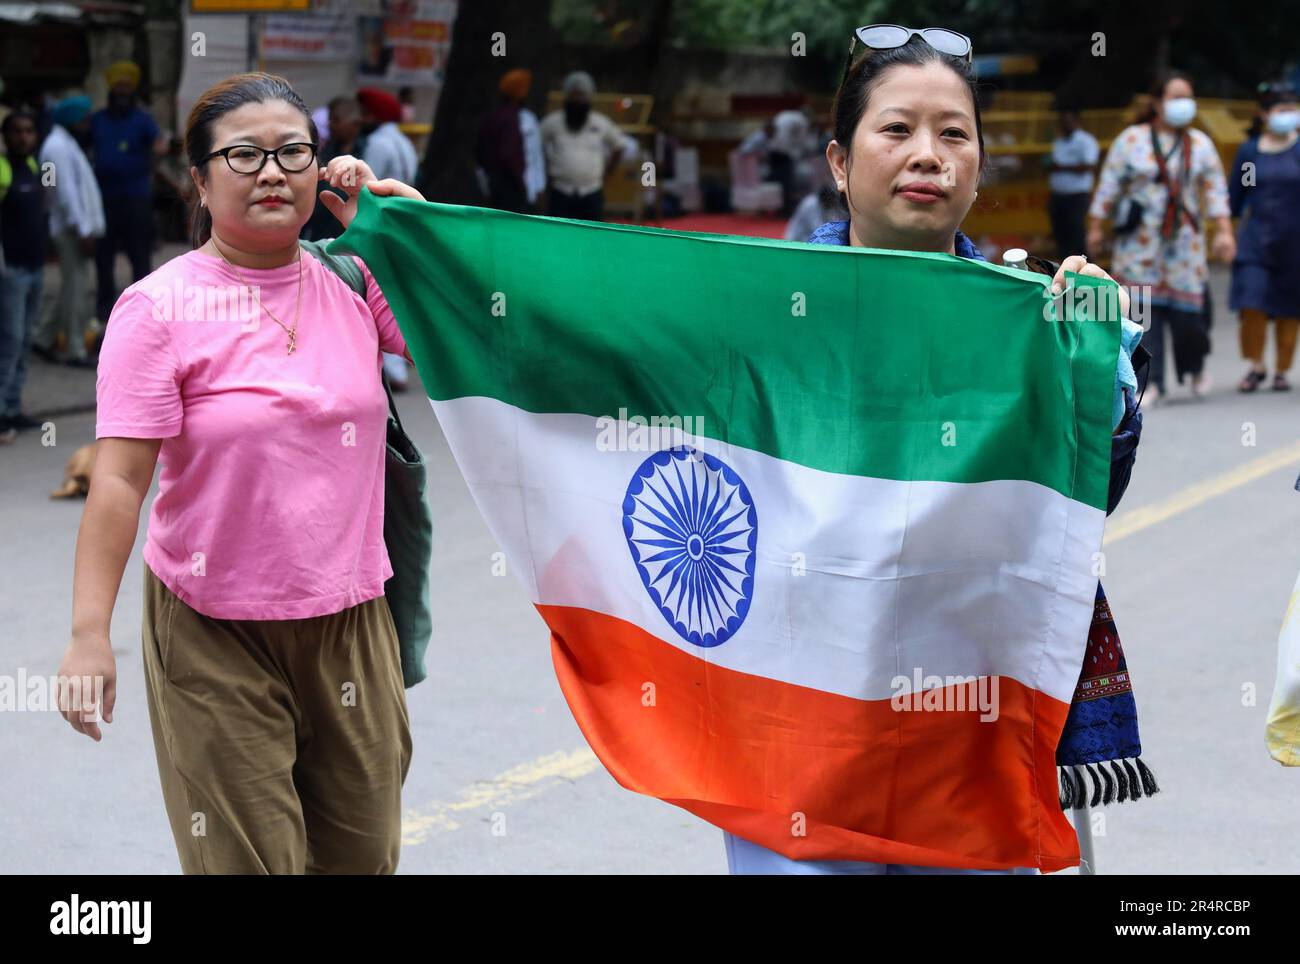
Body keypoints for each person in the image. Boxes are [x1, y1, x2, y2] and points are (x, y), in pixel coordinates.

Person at [722, 25, 1147, 875]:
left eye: (954, 133)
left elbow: (1086, 494)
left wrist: (1094, 360)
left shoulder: (1036, 315)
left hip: (970, 724)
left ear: (979, 166)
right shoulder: (758, 317)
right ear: (840, 163)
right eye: (898, 129)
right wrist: (430, 245)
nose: (929, 154)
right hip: (801, 726)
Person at [53, 72, 420, 875]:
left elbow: (471, 335)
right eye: (244, 154)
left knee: (362, 860)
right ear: (199, 176)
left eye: (293, 152)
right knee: (247, 863)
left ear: (321, 169)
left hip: (352, 622)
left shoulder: (356, 281)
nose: (272, 172)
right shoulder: (159, 309)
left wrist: (400, 226)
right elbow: (117, 483)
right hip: (211, 625)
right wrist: (89, 636)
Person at [1087, 71, 1235, 403]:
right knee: (1142, 313)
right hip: (1140, 243)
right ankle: (1148, 382)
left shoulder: (1200, 144)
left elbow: (1215, 192)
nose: (1184, 104)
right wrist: (1096, 227)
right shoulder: (1132, 140)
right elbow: (1109, 185)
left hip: (1185, 245)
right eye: (1176, 97)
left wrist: (1224, 232)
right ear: (1156, 103)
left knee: (1189, 320)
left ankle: (1194, 366)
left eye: (1188, 97)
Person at [1229, 82, 1300, 392]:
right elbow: (1234, 198)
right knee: (1252, 299)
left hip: (1294, 241)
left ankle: (1282, 369)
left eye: (1293, 110)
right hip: (1255, 237)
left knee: (1289, 306)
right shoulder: (1250, 151)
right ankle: (1255, 364)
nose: (1289, 116)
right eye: (1281, 111)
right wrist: (1227, 235)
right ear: (1264, 115)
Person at [89, 61, 168, 323]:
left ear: (132, 90)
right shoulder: (98, 119)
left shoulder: (143, 119)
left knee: (139, 255)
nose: (122, 91)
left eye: (127, 86)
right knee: (103, 257)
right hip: (103, 199)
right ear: (111, 89)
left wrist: (156, 158)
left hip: (136, 198)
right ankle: (104, 309)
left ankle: (142, 310)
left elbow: (159, 147)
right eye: (118, 86)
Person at [32, 95, 103, 368]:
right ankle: (75, 348)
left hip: (73, 228)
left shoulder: (65, 143)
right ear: (73, 118)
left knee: (70, 287)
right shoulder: (56, 147)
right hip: (70, 230)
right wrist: (82, 228)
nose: (87, 122)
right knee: (76, 289)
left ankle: (42, 336)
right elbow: (63, 193)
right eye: (83, 117)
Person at [356, 86, 416, 389]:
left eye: (365, 114)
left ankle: (393, 370)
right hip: (400, 223)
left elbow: (367, 188)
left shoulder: (378, 143)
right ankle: (398, 369)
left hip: (382, 223)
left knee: (382, 293)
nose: (361, 119)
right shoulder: (403, 141)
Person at [0, 110, 47, 440]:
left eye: (29, 131)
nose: (24, 137)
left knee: (26, 339)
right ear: (6, 136)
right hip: (11, 272)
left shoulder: (35, 167)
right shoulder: (2, 171)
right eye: (17, 132)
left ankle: (13, 407)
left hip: (35, 267)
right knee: (10, 341)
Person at [540, 71, 624, 221]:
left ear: (588, 98)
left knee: (592, 237)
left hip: (592, 191)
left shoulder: (600, 122)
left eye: (582, 95)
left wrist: (608, 172)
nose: (578, 100)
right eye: (574, 95)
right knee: (560, 235)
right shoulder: (552, 122)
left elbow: (619, 145)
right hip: (560, 191)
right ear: (567, 96)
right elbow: (536, 147)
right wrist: (545, 171)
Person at [301, 95, 365, 241]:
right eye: (330, 119)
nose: (330, 124)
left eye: (336, 120)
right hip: (318, 227)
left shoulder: (367, 152)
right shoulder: (326, 149)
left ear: (356, 123)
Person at [476, 69, 531, 213]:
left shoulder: (493, 116)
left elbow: (479, 151)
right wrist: (520, 183)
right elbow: (509, 153)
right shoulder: (510, 119)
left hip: (493, 184)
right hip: (509, 188)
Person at [1047, 109, 1099, 260]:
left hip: (1077, 196)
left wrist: (1061, 167)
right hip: (1058, 196)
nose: (1064, 125)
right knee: (1060, 235)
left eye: (1068, 121)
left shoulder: (1086, 141)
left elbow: (1089, 166)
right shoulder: (1059, 141)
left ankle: (1087, 271)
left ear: (1076, 122)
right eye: (1062, 122)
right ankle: (1065, 273)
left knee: (1077, 235)